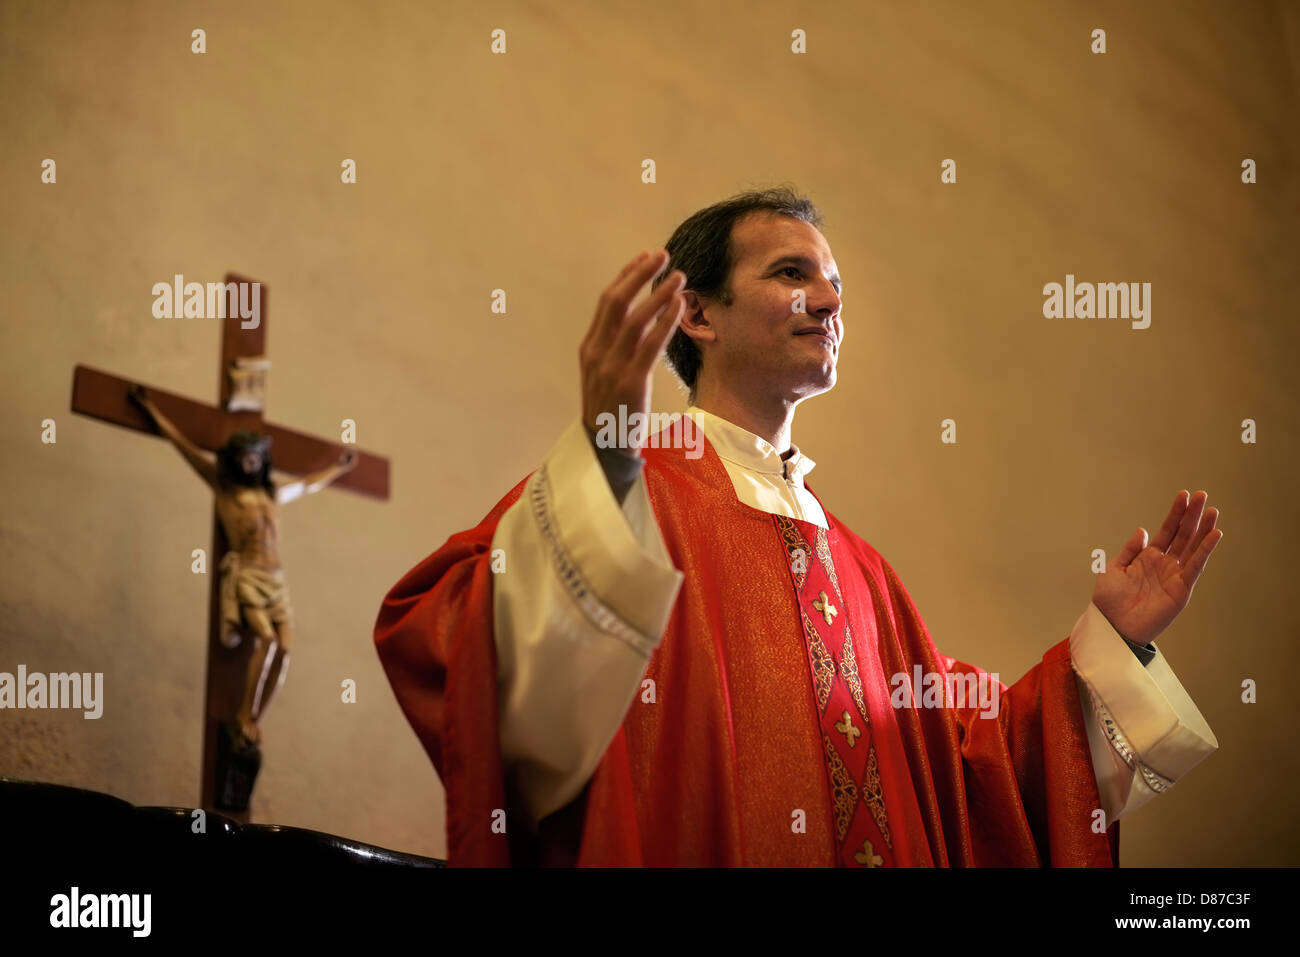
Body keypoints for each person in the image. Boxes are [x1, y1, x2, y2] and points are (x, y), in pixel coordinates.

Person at [374, 187, 1220, 866]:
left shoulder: (864, 572)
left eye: (835, 284)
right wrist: (604, 456)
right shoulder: (628, 494)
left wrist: (1111, 646)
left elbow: (972, 766)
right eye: (791, 273)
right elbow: (454, 634)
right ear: (697, 316)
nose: (829, 300)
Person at [129, 385, 358, 748]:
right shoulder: (226, 491)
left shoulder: (272, 494)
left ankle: (253, 720)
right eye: (244, 455)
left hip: (276, 578)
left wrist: (337, 469)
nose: (250, 461)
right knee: (266, 641)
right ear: (235, 459)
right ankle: (242, 714)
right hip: (249, 574)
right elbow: (185, 449)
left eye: (255, 455)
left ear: (262, 458)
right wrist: (152, 411)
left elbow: (306, 486)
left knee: (285, 650)